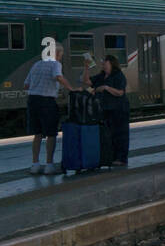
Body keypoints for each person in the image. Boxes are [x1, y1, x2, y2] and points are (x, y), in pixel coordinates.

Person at [23, 44, 79, 174]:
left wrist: (40, 85)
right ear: (57, 54)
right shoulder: (55, 64)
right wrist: (71, 88)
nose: (61, 57)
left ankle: (35, 165)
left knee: (37, 134)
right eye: (61, 55)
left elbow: (26, 85)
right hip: (47, 102)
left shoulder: (36, 64)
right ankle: (49, 165)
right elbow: (58, 77)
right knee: (51, 134)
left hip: (32, 101)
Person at [84, 54, 130, 166]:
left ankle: (121, 158)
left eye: (105, 63)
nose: (103, 65)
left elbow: (120, 92)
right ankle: (111, 157)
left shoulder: (118, 75)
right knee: (109, 134)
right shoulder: (102, 76)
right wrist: (86, 68)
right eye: (103, 63)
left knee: (120, 134)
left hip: (119, 109)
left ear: (112, 63)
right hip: (106, 109)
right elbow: (87, 82)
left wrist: (106, 88)